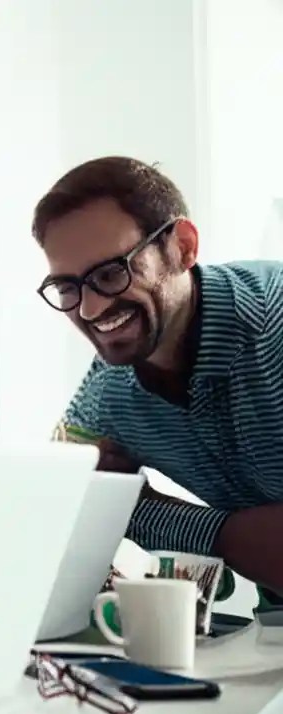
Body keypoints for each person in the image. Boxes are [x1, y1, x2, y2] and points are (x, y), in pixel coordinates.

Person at [37, 155, 283, 604]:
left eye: (112, 273)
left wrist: (148, 513)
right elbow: (68, 499)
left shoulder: (275, 329)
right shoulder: (106, 394)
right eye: (68, 288)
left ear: (183, 247)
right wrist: (223, 536)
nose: (90, 311)